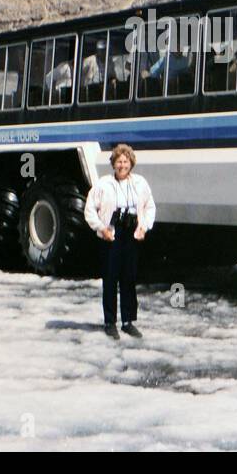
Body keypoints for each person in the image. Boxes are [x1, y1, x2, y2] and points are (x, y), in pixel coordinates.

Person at [84, 144, 156, 340]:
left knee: (129, 277)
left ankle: (128, 322)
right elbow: (89, 209)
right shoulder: (103, 185)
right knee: (110, 278)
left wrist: (144, 227)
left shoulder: (140, 183)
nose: (122, 165)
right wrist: (101, 228)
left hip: (132, 233)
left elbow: (150, 207)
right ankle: (110, 322)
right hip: (111, 235)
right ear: (113, 164)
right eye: (118, 162)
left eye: (125, 161)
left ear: (131, 163)